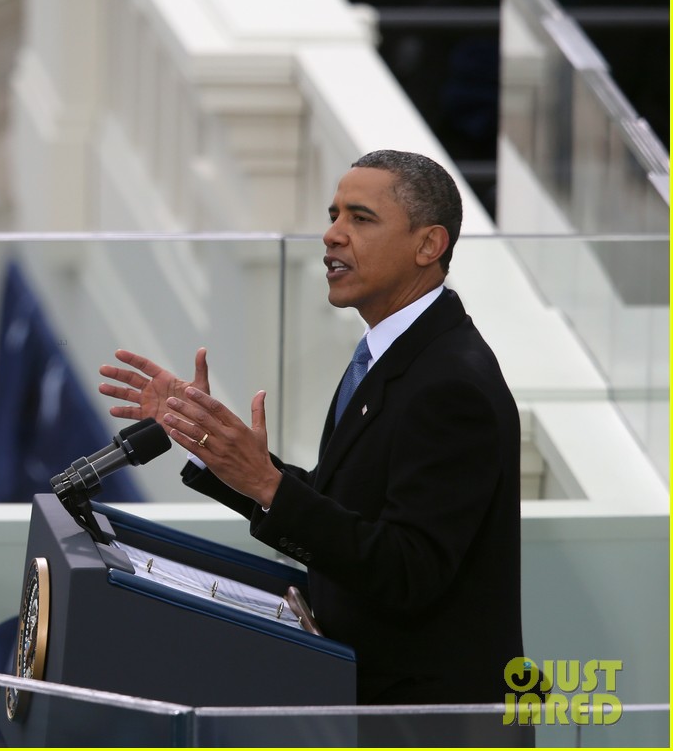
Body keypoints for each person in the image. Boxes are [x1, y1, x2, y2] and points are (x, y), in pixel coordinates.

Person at [98, 150, 528, 738]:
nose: (331, 235)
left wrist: (266, 482)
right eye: (333, 215)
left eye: (360, 218)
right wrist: (213, 448)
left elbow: (408, 570)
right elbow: (344, 514)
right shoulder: (391, 358)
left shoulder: (452, 383)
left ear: (429, 245)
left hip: (424, 726)